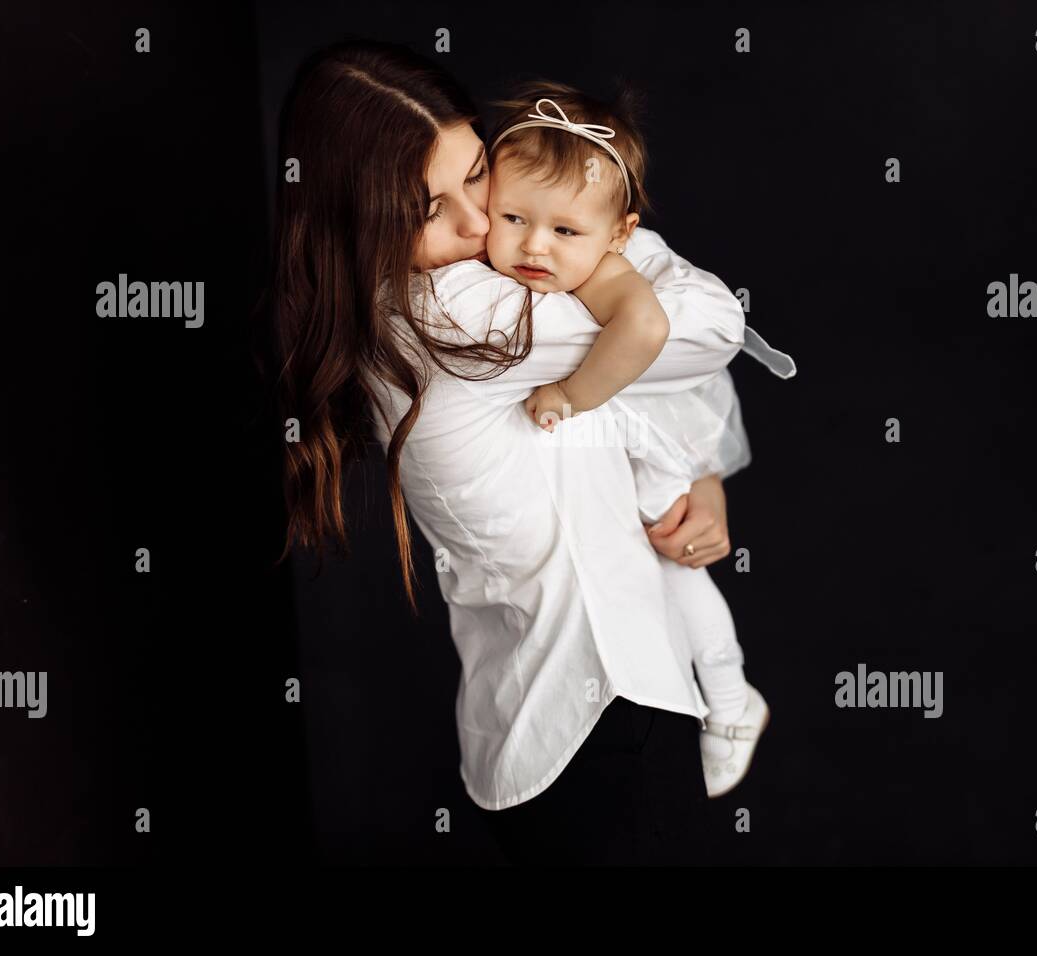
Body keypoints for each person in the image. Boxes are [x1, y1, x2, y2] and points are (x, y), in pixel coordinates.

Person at [263, 39, 772, 864]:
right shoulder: (455, 313)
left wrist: (700, 475)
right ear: (361, 221)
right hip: (600, 715)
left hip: (544, 722)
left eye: (474, 177)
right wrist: (606, 234)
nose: (478, 226)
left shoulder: (474, 281)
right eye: (427, 209)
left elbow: (629, 384)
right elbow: (706, 330)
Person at [478, 80, 796, 795]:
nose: (533, 245)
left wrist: (569, 392)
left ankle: (729, 695)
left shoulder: (609, 270)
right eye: (512, 217)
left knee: (672, 559)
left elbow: (649, 330)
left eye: (564, 231)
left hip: (642, 427)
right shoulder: (521, 261)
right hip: (603, 453)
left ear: (617, 233)